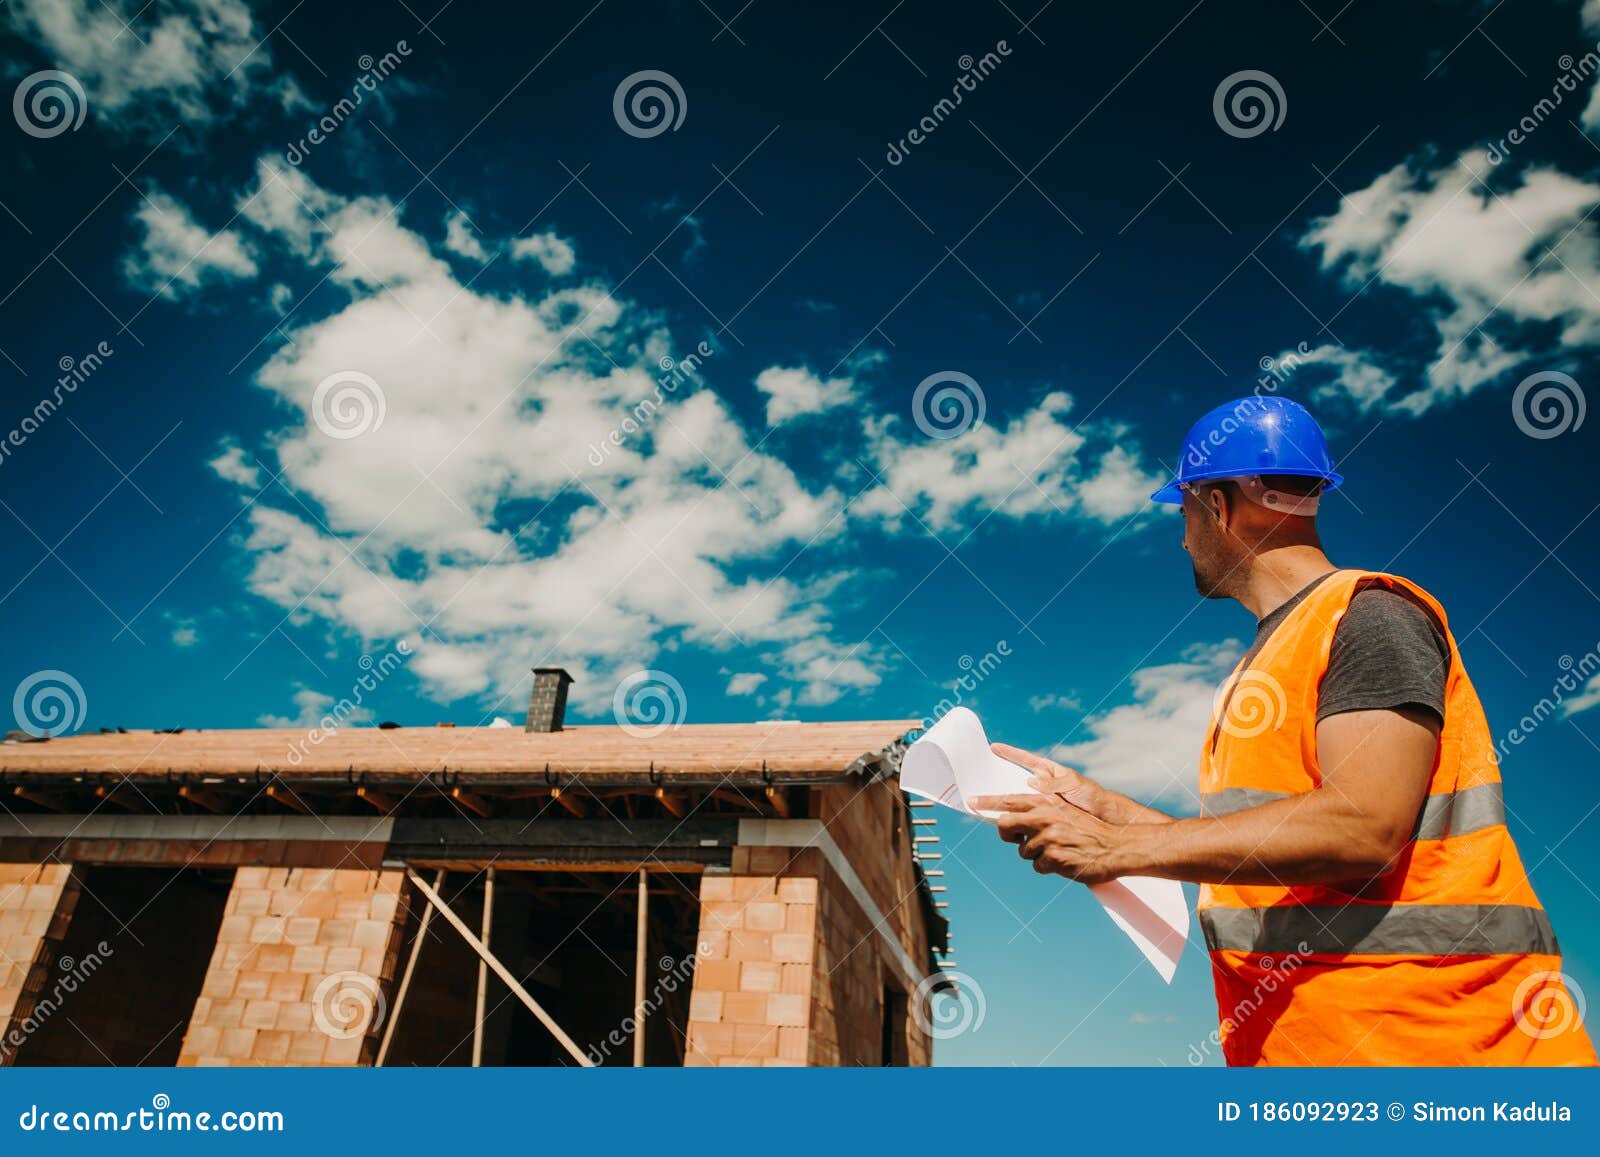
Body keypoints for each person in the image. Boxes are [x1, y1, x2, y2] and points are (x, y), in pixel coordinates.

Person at [974, 395, 1597, 1066]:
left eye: (1184, 513)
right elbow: (1266, 849)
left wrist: (1114, 850)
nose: (1183, 536)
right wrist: (1110, 812)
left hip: (1443, 1055)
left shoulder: (1367, 615)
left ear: (1219, 505)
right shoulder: (1263, 663)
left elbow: (1364, 824)